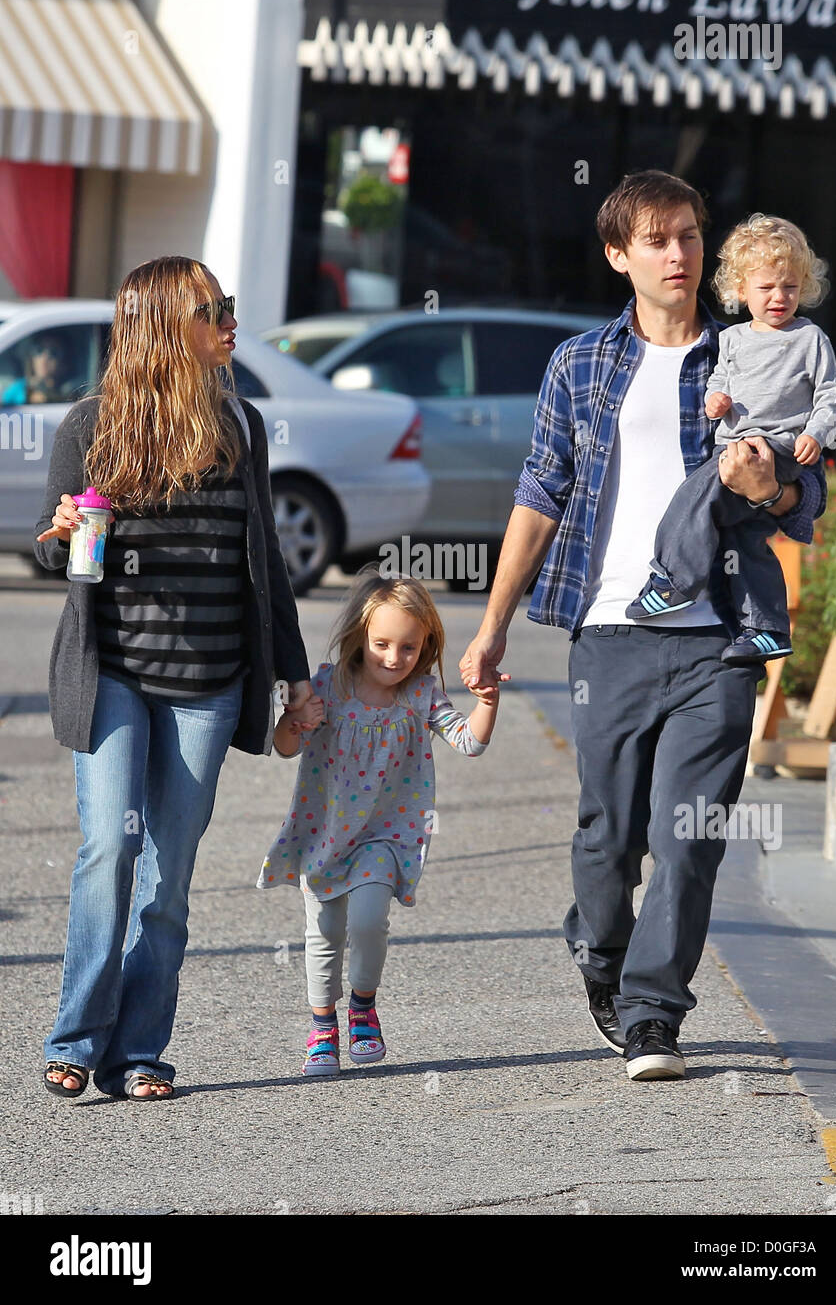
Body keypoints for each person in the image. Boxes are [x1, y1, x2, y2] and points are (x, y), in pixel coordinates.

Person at [460, 170, 826, 1082]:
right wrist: (492, 626)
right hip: (612, 631)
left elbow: (802, 495)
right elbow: (541, 493)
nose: (679, 254)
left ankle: (655, 1015)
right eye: (657, 240)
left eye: (691, 236)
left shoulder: (748, 355)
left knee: (690, 835)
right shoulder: (581, 363)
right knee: (607, 835)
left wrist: (770, 488)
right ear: (620, 255)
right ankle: (605, 960)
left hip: (723, 636)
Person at [36, 256, 313, 1101]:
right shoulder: (90, 427)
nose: (231, 319)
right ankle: (77, 1039)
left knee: (169, 877)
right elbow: (65, 560)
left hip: (208, 680)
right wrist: (64, 535)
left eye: (228, 304)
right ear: (163, 325)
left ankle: (140, 1051)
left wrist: (295, 681)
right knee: (109, 847)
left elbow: (263, 558)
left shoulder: (242, 425)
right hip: (114, 670)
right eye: (212, 309)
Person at [256, 566, 500, 1076]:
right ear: (359, 636)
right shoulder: (327, 685)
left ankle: (362, 1008)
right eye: (383, 644)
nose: (394, 658)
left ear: (425, 645)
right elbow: (284, 748)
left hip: (386, 837)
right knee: (323, 933)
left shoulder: (421, 694)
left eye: (409, 648)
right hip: (324, 831)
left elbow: (470, 742)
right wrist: (293, 721)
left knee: (367, 922)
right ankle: (323, 1024)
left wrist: (487, 703)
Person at [626, 214, 836, 663]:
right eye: (766, 289)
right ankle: (766, 630)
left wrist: (816, 436)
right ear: (741, 290)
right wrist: (715, 400)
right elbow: (719, 381)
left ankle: (675, 581)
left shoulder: (810, 339)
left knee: (695, 496)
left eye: (790, 287)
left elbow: (829, 395)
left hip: (780, 450)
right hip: (733, 447)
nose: (779, 298)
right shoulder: (733, 339)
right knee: (745, 541)